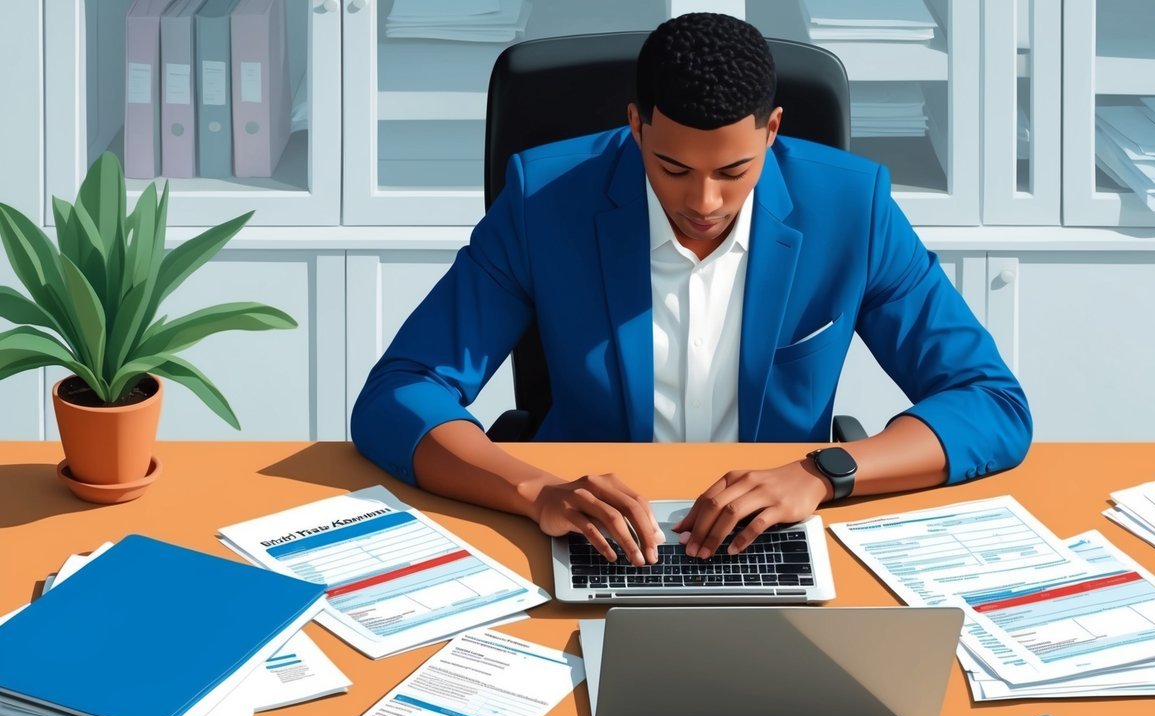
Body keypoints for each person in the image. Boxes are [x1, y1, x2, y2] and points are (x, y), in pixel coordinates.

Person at [351, 13, 1031, 569]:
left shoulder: (851, 207)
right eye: (671, 167)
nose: (703, 201)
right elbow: (400, 393)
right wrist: (535, 490)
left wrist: (823, 473)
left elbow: (989, 402)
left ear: (771, 132)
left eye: (734, 170)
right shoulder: (544, 200)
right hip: (599, 535)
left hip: (769, 531)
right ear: (635, 125)